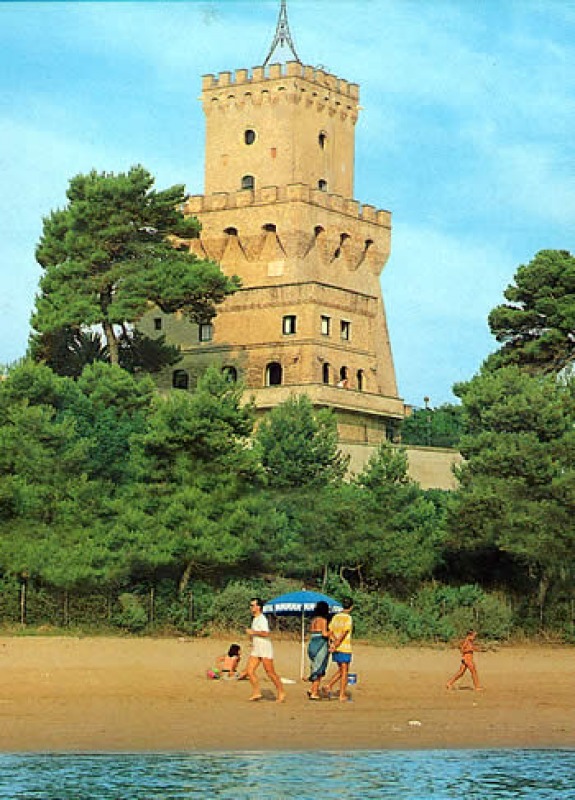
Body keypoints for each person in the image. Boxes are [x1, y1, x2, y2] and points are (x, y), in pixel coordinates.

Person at [245, 597, 286, 703]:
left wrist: (253, 632)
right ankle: (256, 692)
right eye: (251, 605)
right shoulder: (255, 618)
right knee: (249, 671)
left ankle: (281, 691)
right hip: (256, 648)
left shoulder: (262, 618)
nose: (251, 607)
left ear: (258, 607)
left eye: (253, 605)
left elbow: (266, 633)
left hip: (265, 648)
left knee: (270, 672)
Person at [326, 597, 354, 702]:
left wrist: (333, 642)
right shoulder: (348, 618)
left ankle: (329, 685)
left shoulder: (336, 617)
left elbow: (330, 631)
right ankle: (341, 694)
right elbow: (344, 633)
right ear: (351, 607)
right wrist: (336, 644)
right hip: (344, 647)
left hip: (337, 647)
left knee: (342, 670)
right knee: (344, 671)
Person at [306, 600, 331, 700]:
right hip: (320, 644)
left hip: (312, 644)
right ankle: (314, 692)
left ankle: (312, 689)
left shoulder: (313, 620)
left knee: (314, 666)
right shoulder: (323, 620)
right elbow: (324, 634)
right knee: (319, 669)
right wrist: (331, 632)